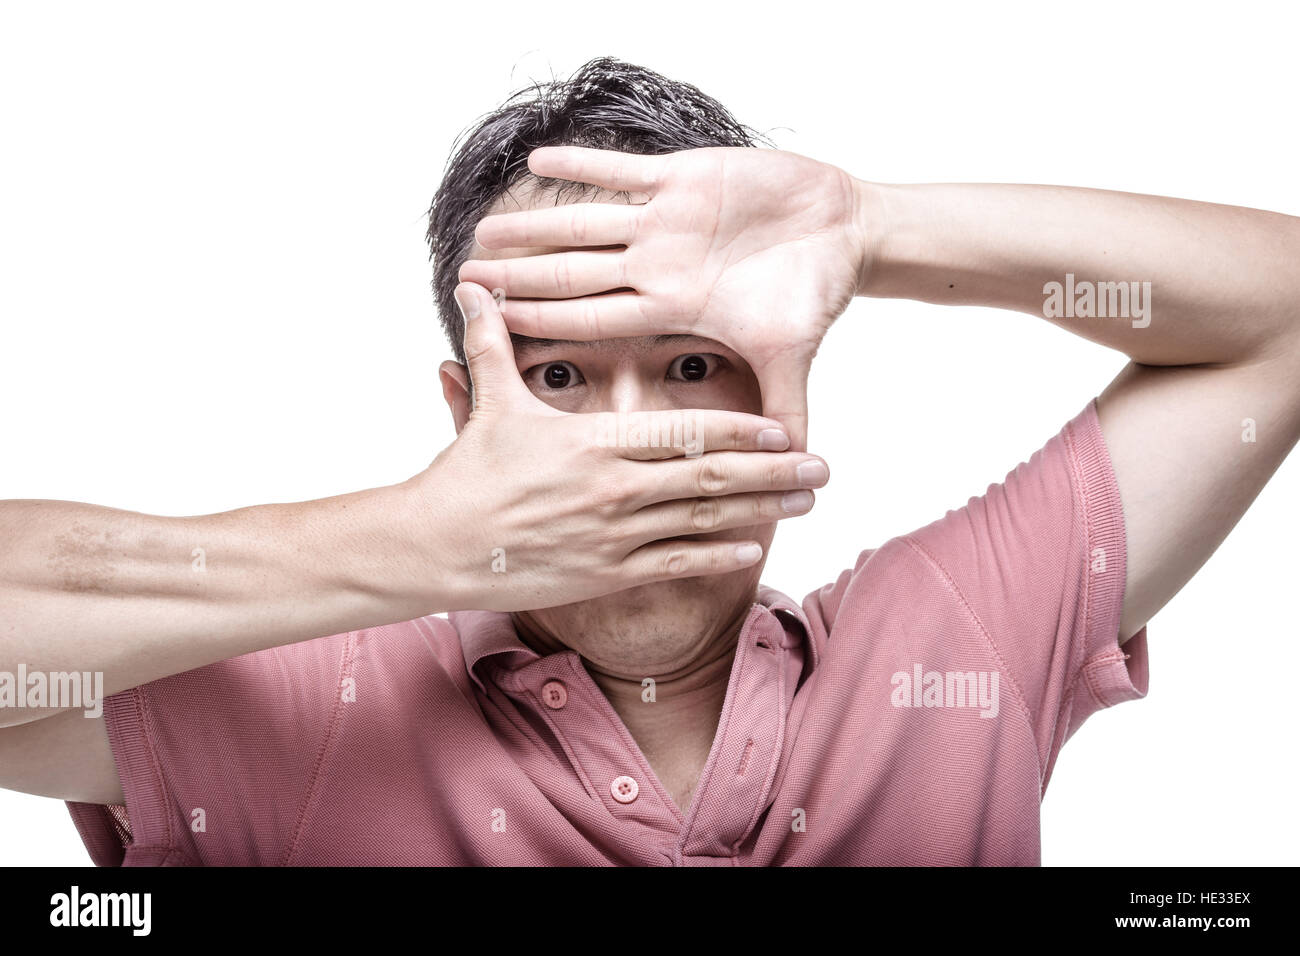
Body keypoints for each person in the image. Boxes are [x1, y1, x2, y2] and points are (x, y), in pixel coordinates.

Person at [1, 57, 1296, 865]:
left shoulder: (948, 645)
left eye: (689, 364)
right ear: (466, 416)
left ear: (784, 385)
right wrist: (421, 544)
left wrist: (877, 229)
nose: (632, 437)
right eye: (560, 378)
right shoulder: (307, 712)